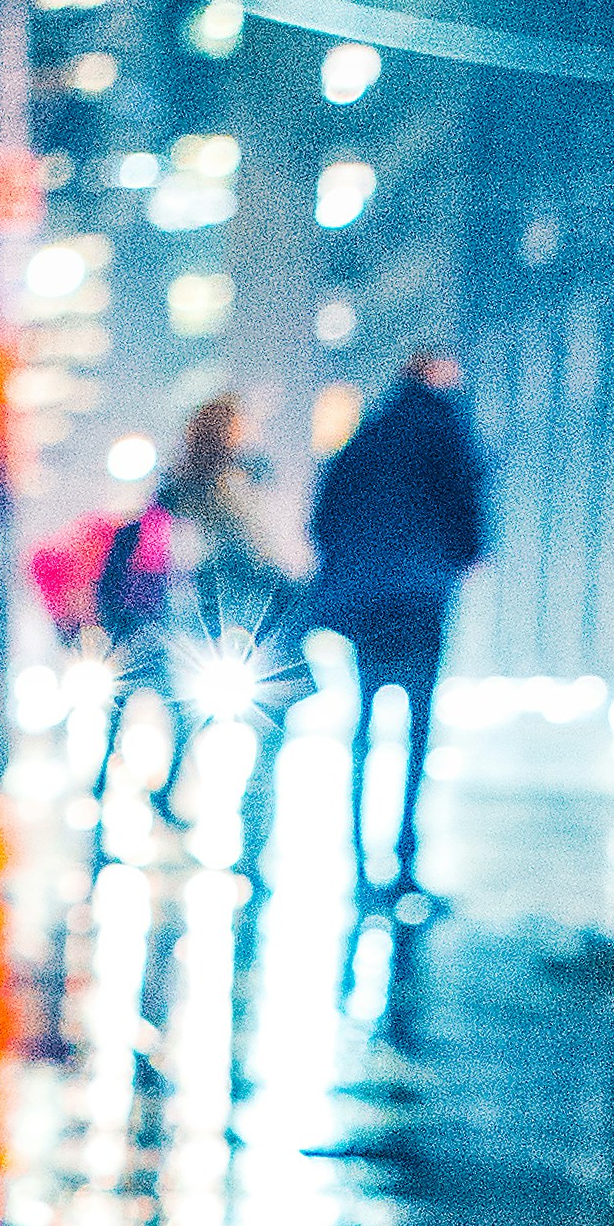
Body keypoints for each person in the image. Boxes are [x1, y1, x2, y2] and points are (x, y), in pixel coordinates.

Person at [307, 353, 487, 905]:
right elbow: (470, 508)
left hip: (366, 601)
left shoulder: (368, 433)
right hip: (421, 599)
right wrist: (458, 557)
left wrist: (348, 571)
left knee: (364, 724)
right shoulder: (448, 430)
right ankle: (404, 859)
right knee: (415, 732)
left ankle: (360, 860)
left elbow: (325, 511)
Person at [151, 391, 305, 846]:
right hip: (250, 615)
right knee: (268, 717)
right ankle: (255, 823)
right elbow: (261, 547)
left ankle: (204, 802)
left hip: (204, 621)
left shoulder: (181, 488)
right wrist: (293, 583)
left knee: (199, 714)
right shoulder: (230, 486)